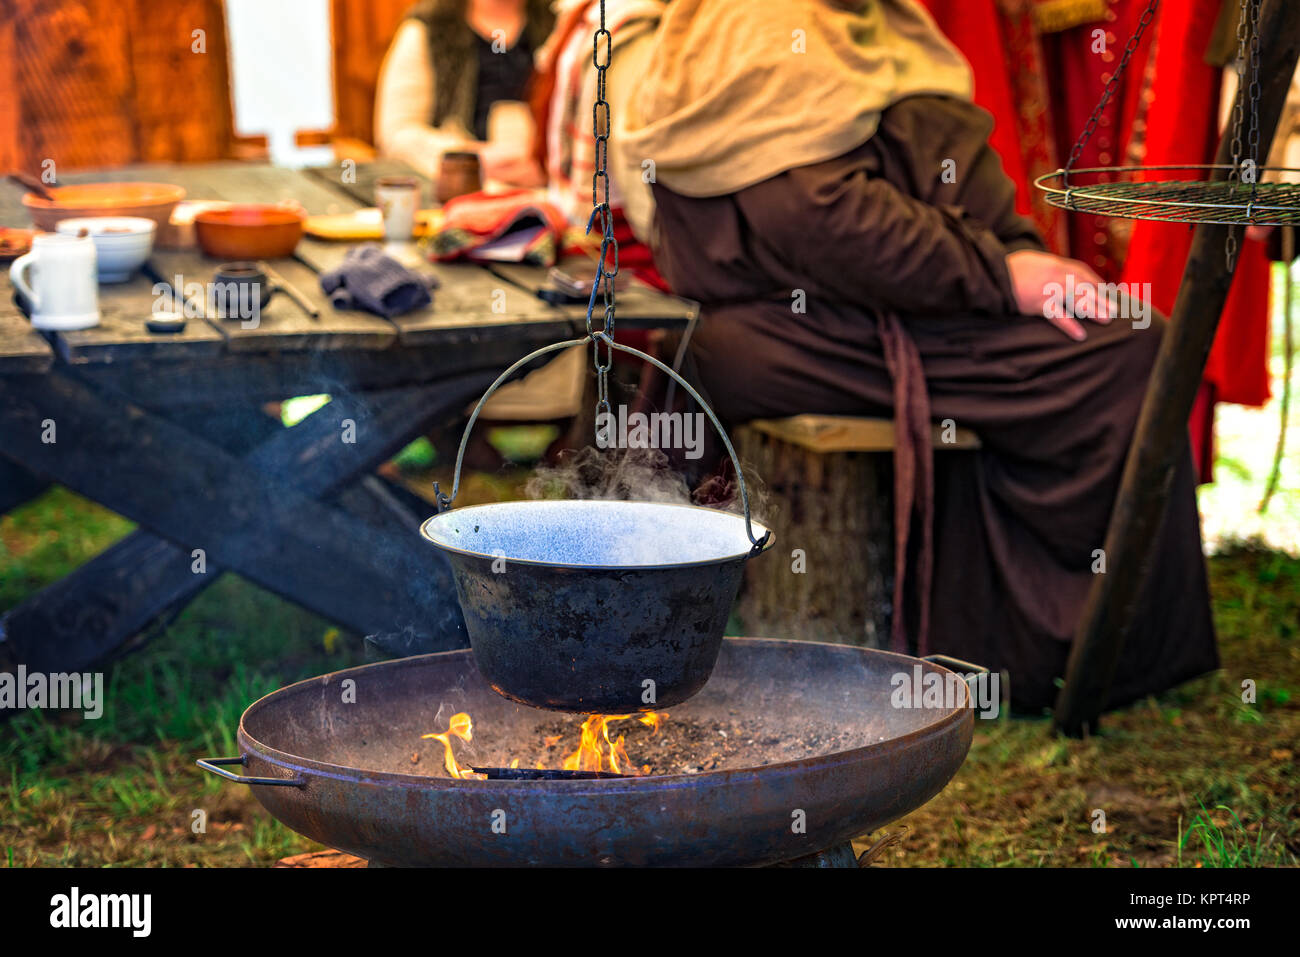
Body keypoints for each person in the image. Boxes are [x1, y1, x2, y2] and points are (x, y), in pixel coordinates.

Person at [621, 0, 1218, 711]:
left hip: (882, 310)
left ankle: (1046, 641)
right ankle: (1053, 652)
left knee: (1122, 333)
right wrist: (999, 274)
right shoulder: (762, 22)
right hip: (812, 326)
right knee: (1130, 354)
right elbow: (820, 219)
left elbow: (947, 173)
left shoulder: (867, 21)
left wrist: (1022, 253)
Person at [374, 0, 555, 185]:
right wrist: (471, 159)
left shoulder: (561, 23)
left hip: (550, 193)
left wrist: (550, 162)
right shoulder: (429, 27)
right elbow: (397, 135)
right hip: (456, 193)